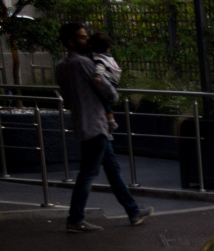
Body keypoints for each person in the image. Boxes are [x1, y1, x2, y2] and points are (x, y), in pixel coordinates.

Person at [55, 22, 151, 233]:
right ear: (71, 41)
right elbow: (108, 92)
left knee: (112, 169)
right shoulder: (85, 64)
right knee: (88, 173)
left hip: (83, 123)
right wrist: (112, 94)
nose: (87, 40)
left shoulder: (61, 66)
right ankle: (75, 218)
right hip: (96, 125)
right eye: (82, 37)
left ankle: (133, 211)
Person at [88, 32, 121, 131]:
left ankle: (111, 121)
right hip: (114, 81)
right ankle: (111, 121)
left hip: (109, 82)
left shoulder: (99, 58)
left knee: (104, 103)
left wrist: (98, 76)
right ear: (108, 47)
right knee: (106, 103)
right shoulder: (109, 57)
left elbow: (100, 66)